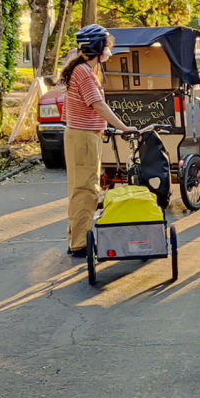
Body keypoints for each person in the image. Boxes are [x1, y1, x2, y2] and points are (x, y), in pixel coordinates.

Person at [61, 24, 134, 258]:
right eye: (107, 46)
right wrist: (123, 128)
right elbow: (98, 105)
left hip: (80, 136)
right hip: (82, 138)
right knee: (86, 190)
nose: (109, 51)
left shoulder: (81, 68)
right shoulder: (84, 72)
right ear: (99, 48)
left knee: (80, 188)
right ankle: (80, 244)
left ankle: (75, 237)